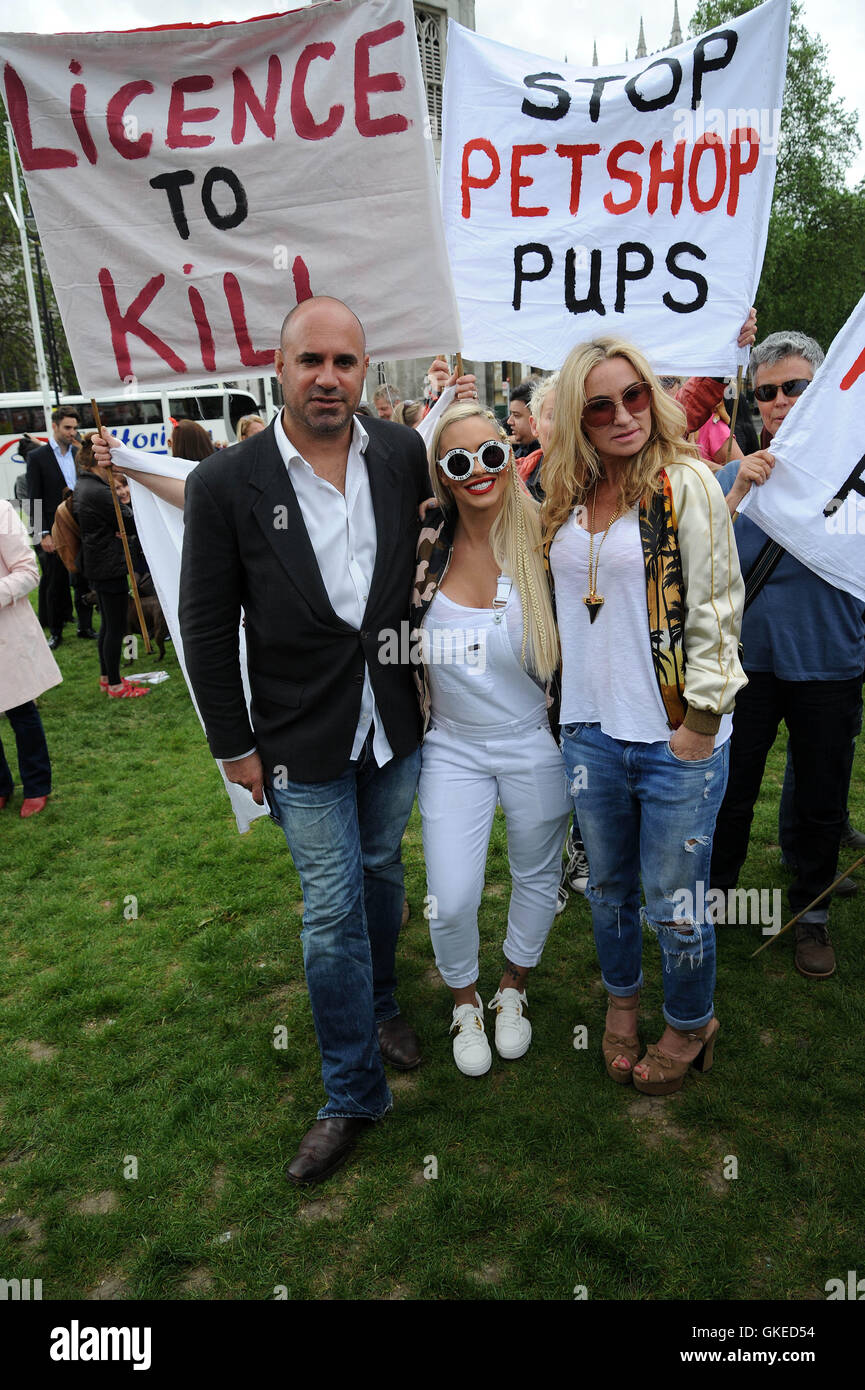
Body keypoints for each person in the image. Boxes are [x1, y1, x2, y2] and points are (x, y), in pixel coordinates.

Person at [178, 296, 431, 1186]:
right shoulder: (225, 483)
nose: (328, 377)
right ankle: (351, 1091)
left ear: (364, 372)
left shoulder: (400, 452)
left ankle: (384, 1001)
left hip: (391, 719)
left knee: (382, 870)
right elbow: (206, 626)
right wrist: (234, 746)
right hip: (294, 733)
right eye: (310, 360)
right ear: (278, 368)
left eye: (345, 362)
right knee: (329, 910)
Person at [546, 337, 746, 1094]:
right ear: (577, 416)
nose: (623, 414)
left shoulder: (684, 482)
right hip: (588, 730)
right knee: (606, 890)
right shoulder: (563, 490)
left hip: (674, 736)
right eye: (600, 405)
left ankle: (691, 1022)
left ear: (651, 394)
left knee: (676, 903)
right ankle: (622, 1005)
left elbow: (718, 605)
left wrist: (702, 719)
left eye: (633, 395)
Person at [411, 402, 570, 1074]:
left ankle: (512, 987)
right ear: (442, 476)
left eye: (490, 453)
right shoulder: (423, 543)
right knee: (450, 896)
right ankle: (464, 1001)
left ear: (509, 455)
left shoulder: (551, 540)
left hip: (534, 740)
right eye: (458, 461)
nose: (477, 470)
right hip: (451, 745)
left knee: (536, 875)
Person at [710, 331, 865, 980]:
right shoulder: (733, 476)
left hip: (830, 664)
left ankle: (811, 915)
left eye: (793, 387)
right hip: (745, 667)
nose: (777, 401)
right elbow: (689, 564)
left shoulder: (855, 482)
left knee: (821, 800)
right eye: (765, 392)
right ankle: (714, 902)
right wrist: (734, 495)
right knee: (730, 792)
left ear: (821, 389)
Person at [75, 435, 150, 699]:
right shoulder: (99, 490)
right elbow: (129, 520)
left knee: (108, 624)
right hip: (109, 564)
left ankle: (108, 677)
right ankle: (116, 685)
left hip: (99, 562)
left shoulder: (85, 485)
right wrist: (122, 526)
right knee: (116, 626)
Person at [0, 498, 62, 816]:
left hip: (5, 635)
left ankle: (36, 785)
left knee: (20, 711)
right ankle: (1, 785)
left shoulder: (1, 512)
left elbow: (28, 572)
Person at [25, 407, 96, 647]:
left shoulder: (77, 453)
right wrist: (42, 533)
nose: (72, 432)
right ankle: (55, 632)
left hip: (81, 524)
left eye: (74, 428)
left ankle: (85, 626)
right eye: (67, 427)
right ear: (54, 426)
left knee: (83, 579)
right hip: (53, 529)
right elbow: (32, 499)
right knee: (55, 582)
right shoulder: (38, 457)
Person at [506, 381, 540, 458]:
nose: (509, 421)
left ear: (534, 419)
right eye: (511, 414)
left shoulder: (546, 459)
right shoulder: (520, 452)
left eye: (516, 415)